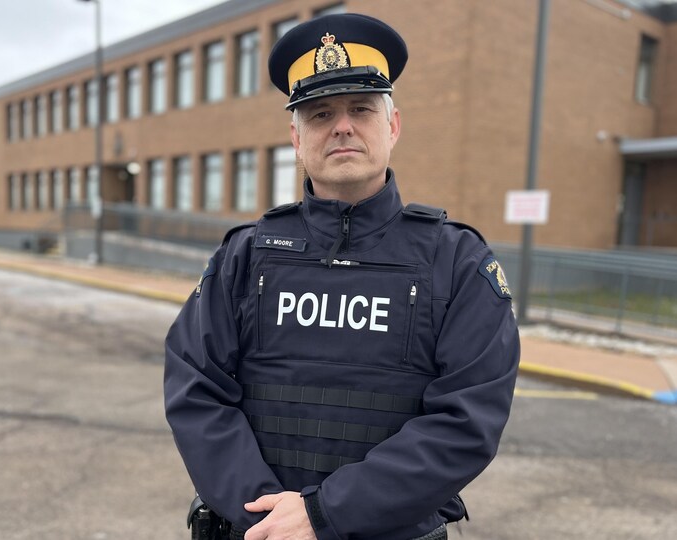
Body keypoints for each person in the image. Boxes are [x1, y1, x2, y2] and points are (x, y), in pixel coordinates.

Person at [164, 13, 519, 540]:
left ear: (392, 126)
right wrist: (269, 520)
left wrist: (324, 514)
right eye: (320, 112)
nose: (342, 126)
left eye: (361, 109)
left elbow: (465, 422)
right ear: (296, 135)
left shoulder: (458, 262)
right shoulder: (246, 256)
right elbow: (195, 390)